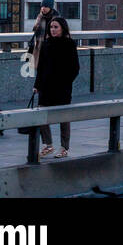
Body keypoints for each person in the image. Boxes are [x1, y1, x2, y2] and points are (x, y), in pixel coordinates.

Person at [34, 15, 80, 158]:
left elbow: (75, 68)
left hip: (62, 87)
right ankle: (48, 145)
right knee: (41, 115)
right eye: (51, 27)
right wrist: (37, 85)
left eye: (56, 27)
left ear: (62, 28)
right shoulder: (46, 44)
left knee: (63, 117)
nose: (53, 30)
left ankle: (64, 148)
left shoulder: (69, 44)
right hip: (46, 86)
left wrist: (65, 82)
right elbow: (40, 67)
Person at [27, 0, 59, 75]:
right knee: (40, 73)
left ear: (50, 7)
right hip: (40, 48)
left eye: (45, 6)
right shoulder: (40, 16)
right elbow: (35, 30)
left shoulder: (56, 18)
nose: (43, 8)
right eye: (42, 6)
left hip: (51, 50)